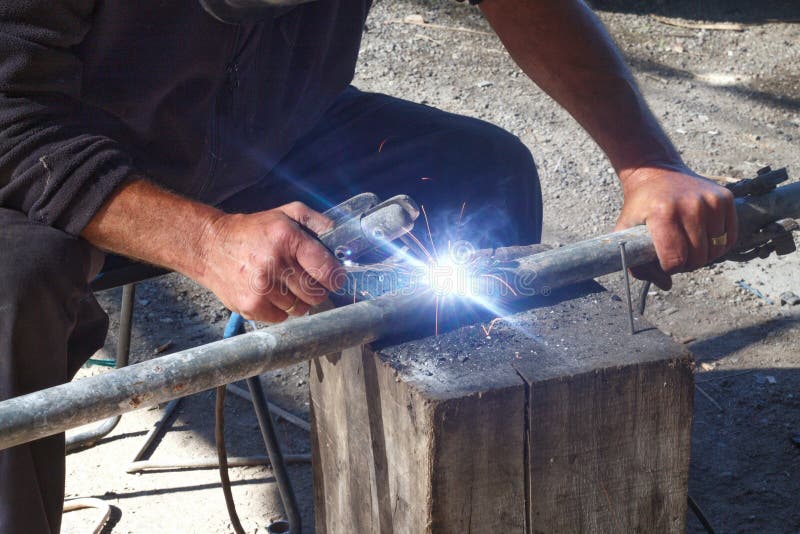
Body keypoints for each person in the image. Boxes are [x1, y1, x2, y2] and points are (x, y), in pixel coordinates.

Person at [0, 0, 736, 531]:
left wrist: (646, 162)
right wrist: (206, 240)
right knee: (14, 288)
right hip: (48, 150)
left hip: (262, 131)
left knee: (479, 174)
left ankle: (477, 488)